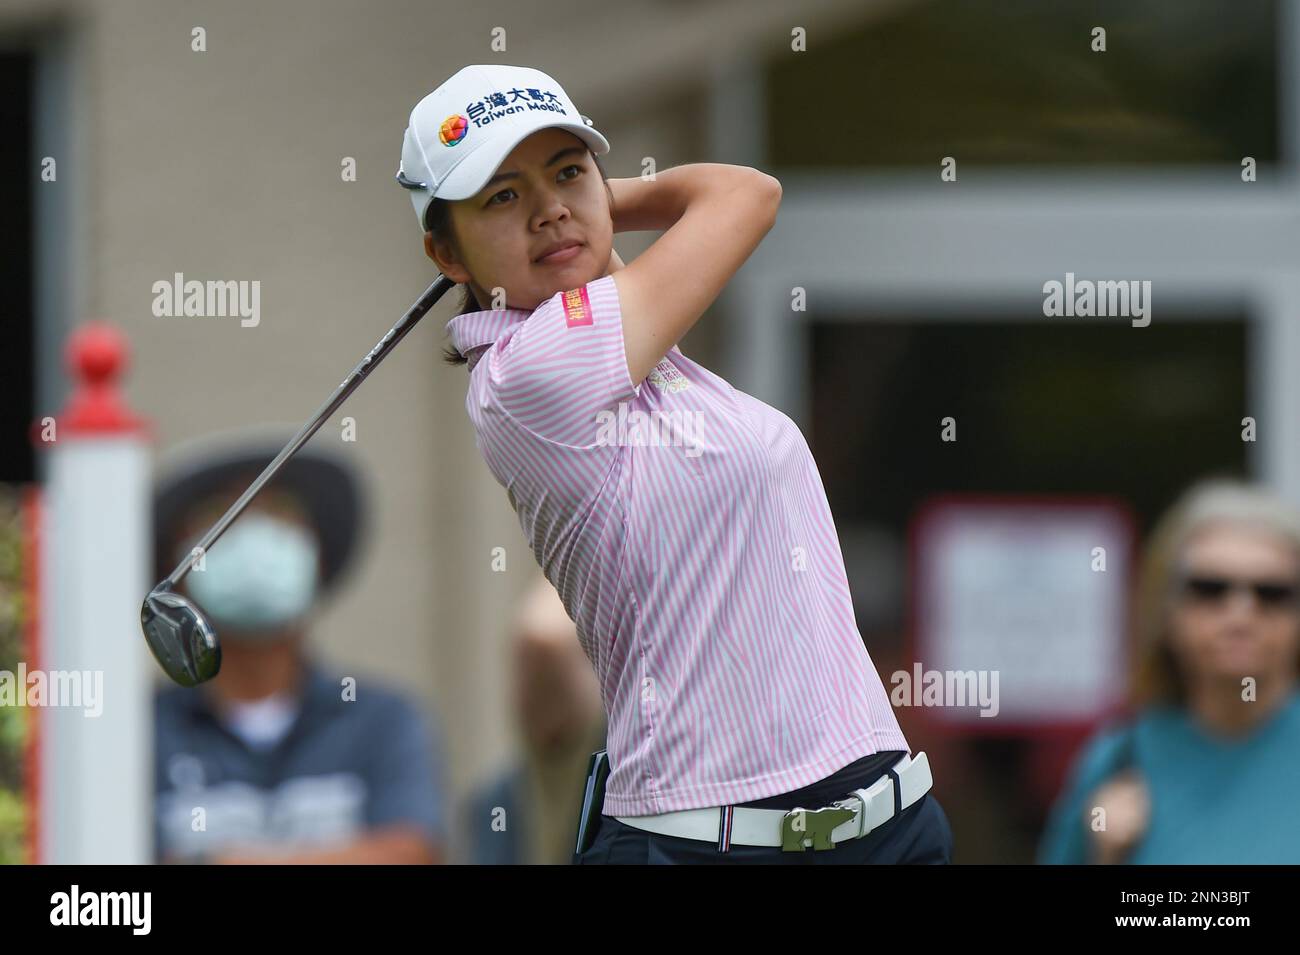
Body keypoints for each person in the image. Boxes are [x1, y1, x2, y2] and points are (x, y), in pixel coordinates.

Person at [396, 64, 953, 863]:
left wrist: (561, 211)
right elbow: (745, 195)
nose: (549, 206)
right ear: (446, 255)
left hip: (889, 826)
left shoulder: (649, 359)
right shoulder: (533, 371)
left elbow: (737, 189)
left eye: (567, 170)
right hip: (705, 846)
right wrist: (586, 208)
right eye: (502, 195)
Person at [151, 428, 448, 864]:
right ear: (177, 570)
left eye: (278, 512)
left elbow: (410, 852)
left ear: (316, 558)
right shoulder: (144, 734)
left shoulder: (384, 720)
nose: (253, 537)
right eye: (221, 520)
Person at [1039, 478, 1300, 864]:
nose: (1240, 614)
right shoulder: (1120, 758)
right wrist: (1102, 856)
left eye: (1271, 592)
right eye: (1210, 589)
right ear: (1166, 608)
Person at [461, 574, 606, 864]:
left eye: (554, 684)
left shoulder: (631, 798)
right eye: (531, 679)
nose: (543, 704)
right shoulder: (495, 802)